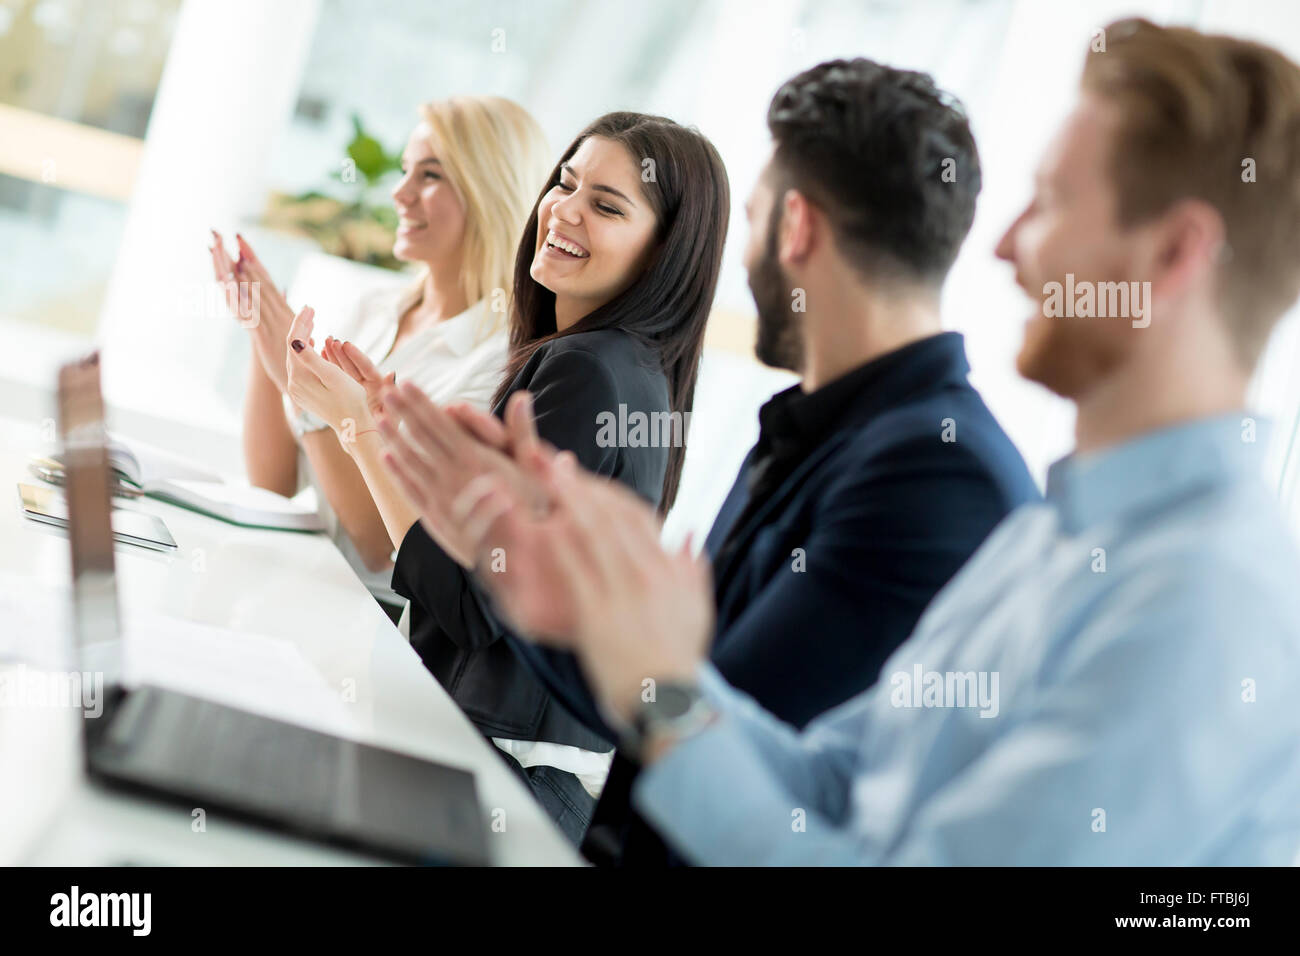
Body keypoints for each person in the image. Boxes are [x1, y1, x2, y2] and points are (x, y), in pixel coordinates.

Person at [447, 18, 1300, 865]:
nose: (1005, 247)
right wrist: (615, 630)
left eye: (1052, 202)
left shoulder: (1205, 601)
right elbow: (831, 782)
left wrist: (658, 681)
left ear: (1175, 253)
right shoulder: (1054, 535)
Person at [372, 59, 1039, 865]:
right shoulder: (818, 431)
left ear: (795, 228)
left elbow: (738, 738)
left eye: (751, 216)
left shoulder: (936, 475)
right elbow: (678, 700)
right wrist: (555, 591)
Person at [282, 111, 730, 841]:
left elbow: (470, 600)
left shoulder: (588, 368)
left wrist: (357, 429)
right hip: (502, 775)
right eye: (566, 182)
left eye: (607, 206)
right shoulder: (627, 368)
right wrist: (377, 418)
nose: (565, 209)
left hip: (499, 781)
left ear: (661, 255)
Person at [209, 95, 550, 613]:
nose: (400, 192)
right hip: (299, 590)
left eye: (430, 176)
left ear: (489, 192)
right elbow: (274, 485)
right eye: (406, 171)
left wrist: (310, 398)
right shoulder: (372, 308)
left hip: (372, 622)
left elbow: (376, 543)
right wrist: (266, 336)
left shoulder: (497, 361)